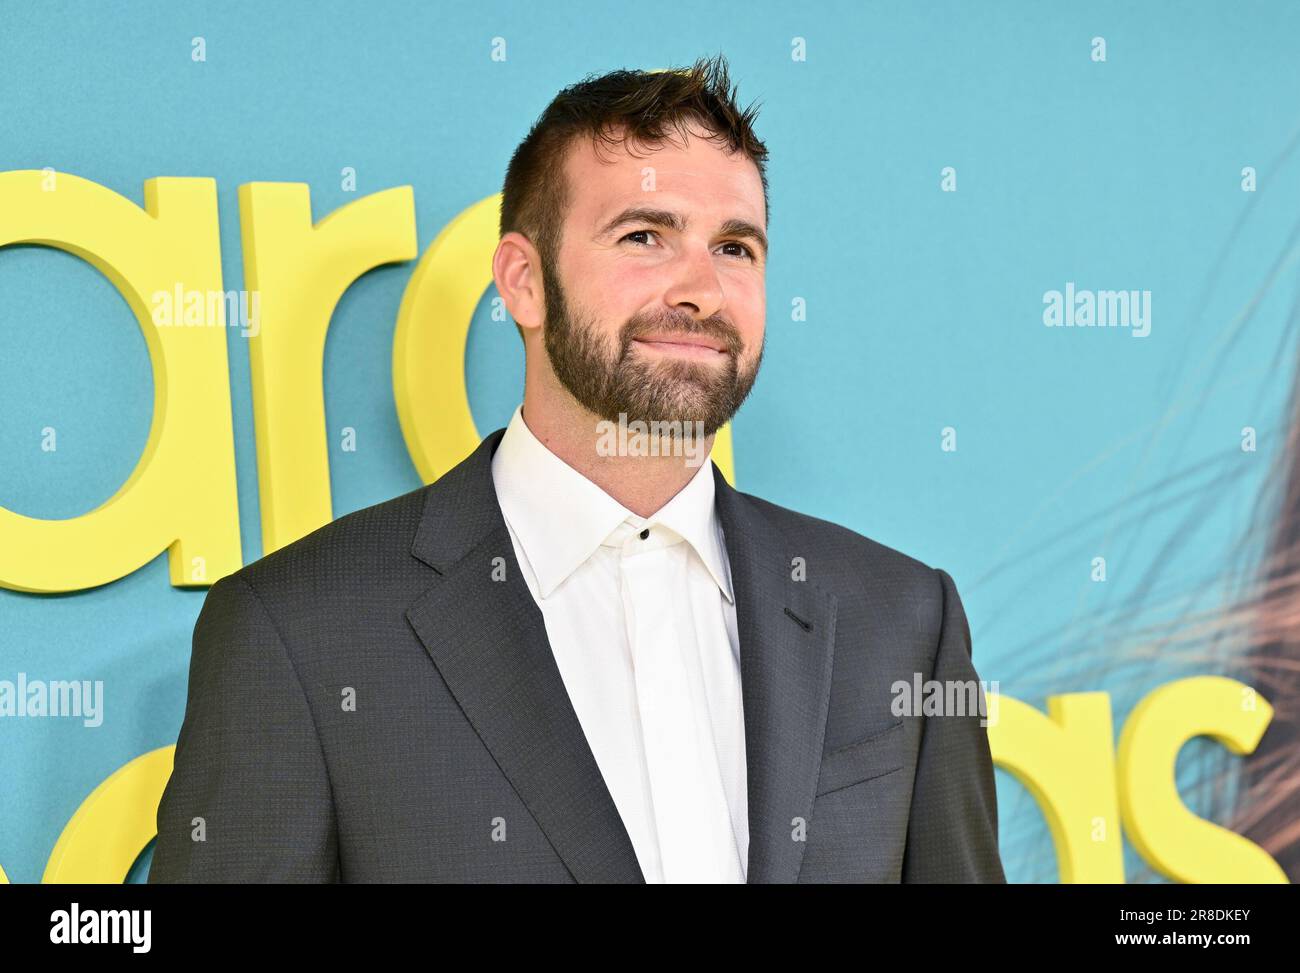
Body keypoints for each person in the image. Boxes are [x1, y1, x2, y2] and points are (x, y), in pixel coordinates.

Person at [149, 53, 1004, 884]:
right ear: (523, 282)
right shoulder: (299, 634)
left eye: (736, 247)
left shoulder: (902, 620)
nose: (702, 288)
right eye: (645, 235)